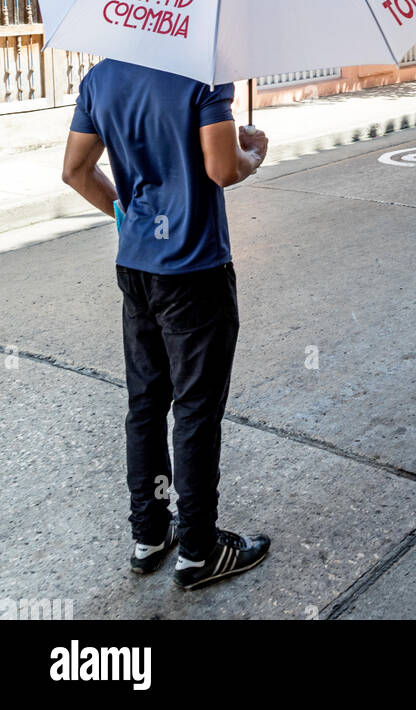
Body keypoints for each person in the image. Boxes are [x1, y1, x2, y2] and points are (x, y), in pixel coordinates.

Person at [62, 59, 271, 590]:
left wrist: (126, 218)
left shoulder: (101, 77)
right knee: (197, 411)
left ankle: (150, 534)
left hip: (136, 268)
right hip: (195, 271)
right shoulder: (203, 73)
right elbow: (222, 169)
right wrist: (252, 152)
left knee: (147, 403)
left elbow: (75, 170)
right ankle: (198, 550)